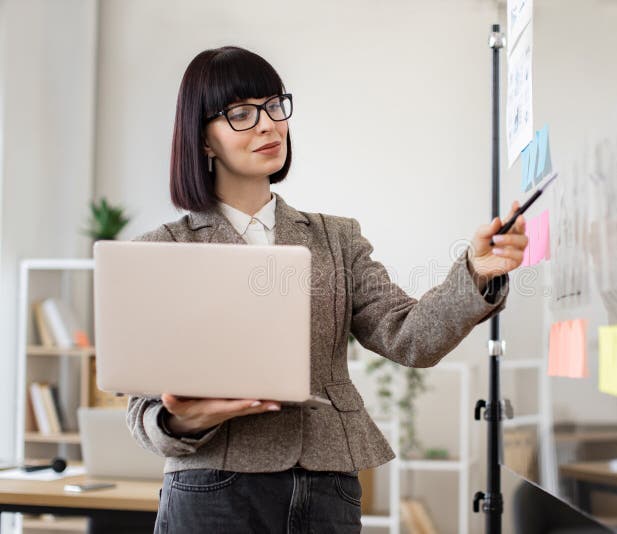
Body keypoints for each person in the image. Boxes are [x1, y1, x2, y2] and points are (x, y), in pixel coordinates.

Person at [126, 45, 528, 533]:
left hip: (325, 485)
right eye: (241, 114)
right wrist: (186, 420)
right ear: (203, 140)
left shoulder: (336, 238)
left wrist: (476, 271)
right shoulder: (163, 249)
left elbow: (409, 337)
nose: (268, 125)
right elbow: (145, 410)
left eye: (274, 106)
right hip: (213, 486)